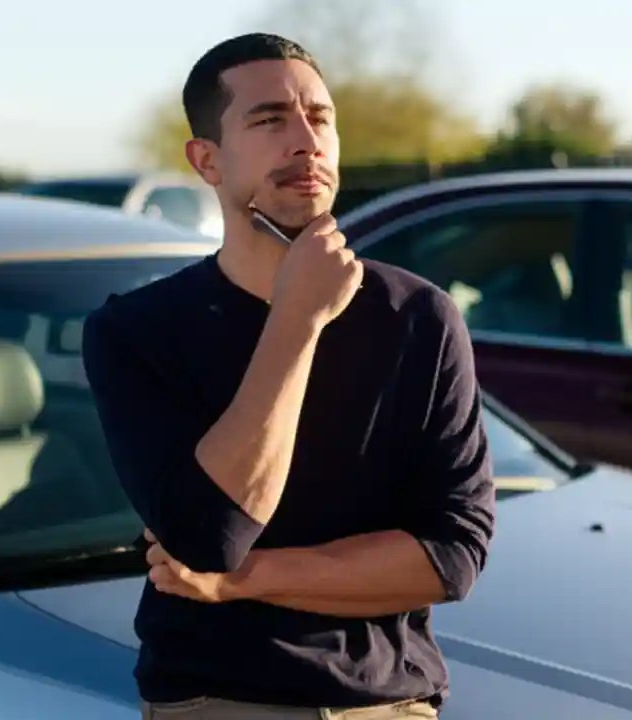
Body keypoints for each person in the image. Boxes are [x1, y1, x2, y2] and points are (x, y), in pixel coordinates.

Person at [81, 32, 495, 720]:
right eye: (270, 119)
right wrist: (298, 319)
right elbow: (208, 534)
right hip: (221, 701)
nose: (305, 140)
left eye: (320, 118)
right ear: (206, 159)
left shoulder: (419, 316)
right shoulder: (136, 332)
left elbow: (452, 557)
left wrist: (239, 582)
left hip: (391, 703)